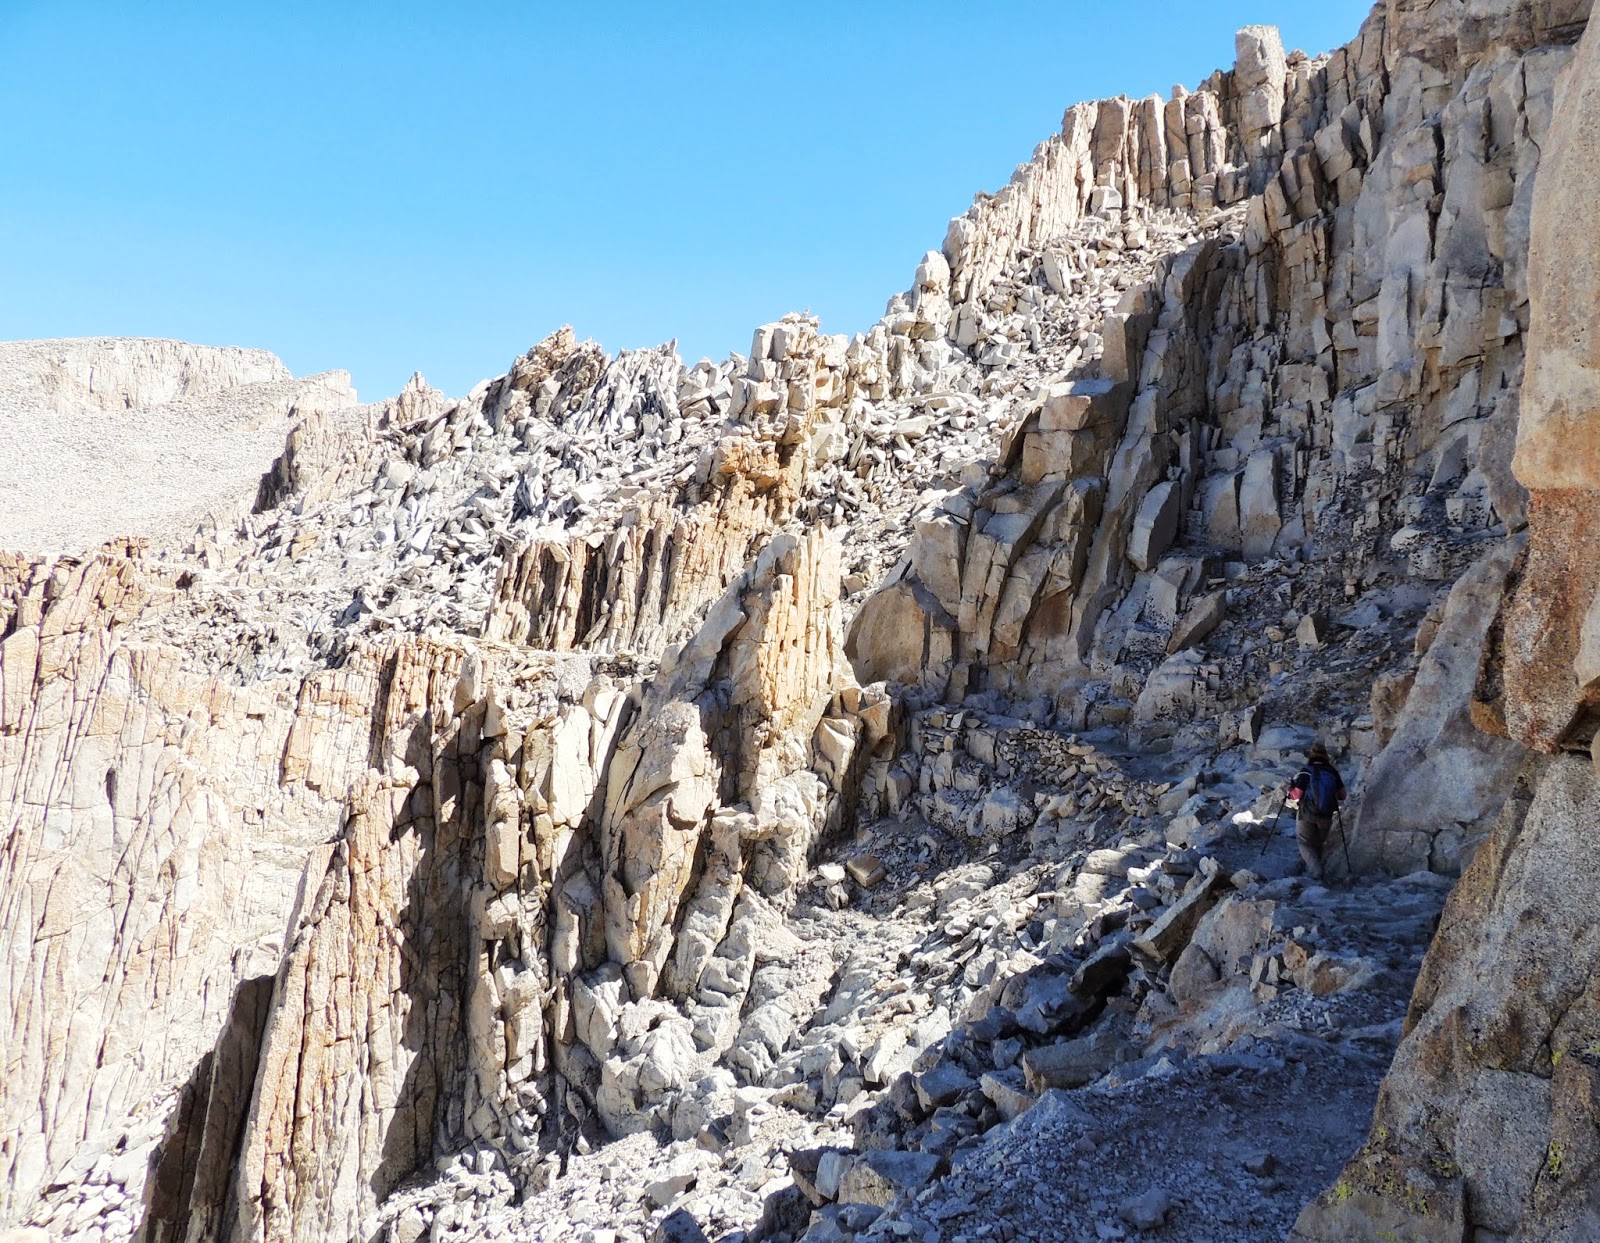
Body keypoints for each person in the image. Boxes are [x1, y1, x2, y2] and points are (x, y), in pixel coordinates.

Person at [1286, 742, 1347, 881]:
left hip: (1307, 814)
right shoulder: (1332, 772)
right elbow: (1343, 795)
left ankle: (1316, 872)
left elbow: (1297, 795)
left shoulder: (1306, 771)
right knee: (1318, 843)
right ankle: (1316, 870)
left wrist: (1289, 789)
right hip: (1326, 814)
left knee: (1304, 842)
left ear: (1311, 755)